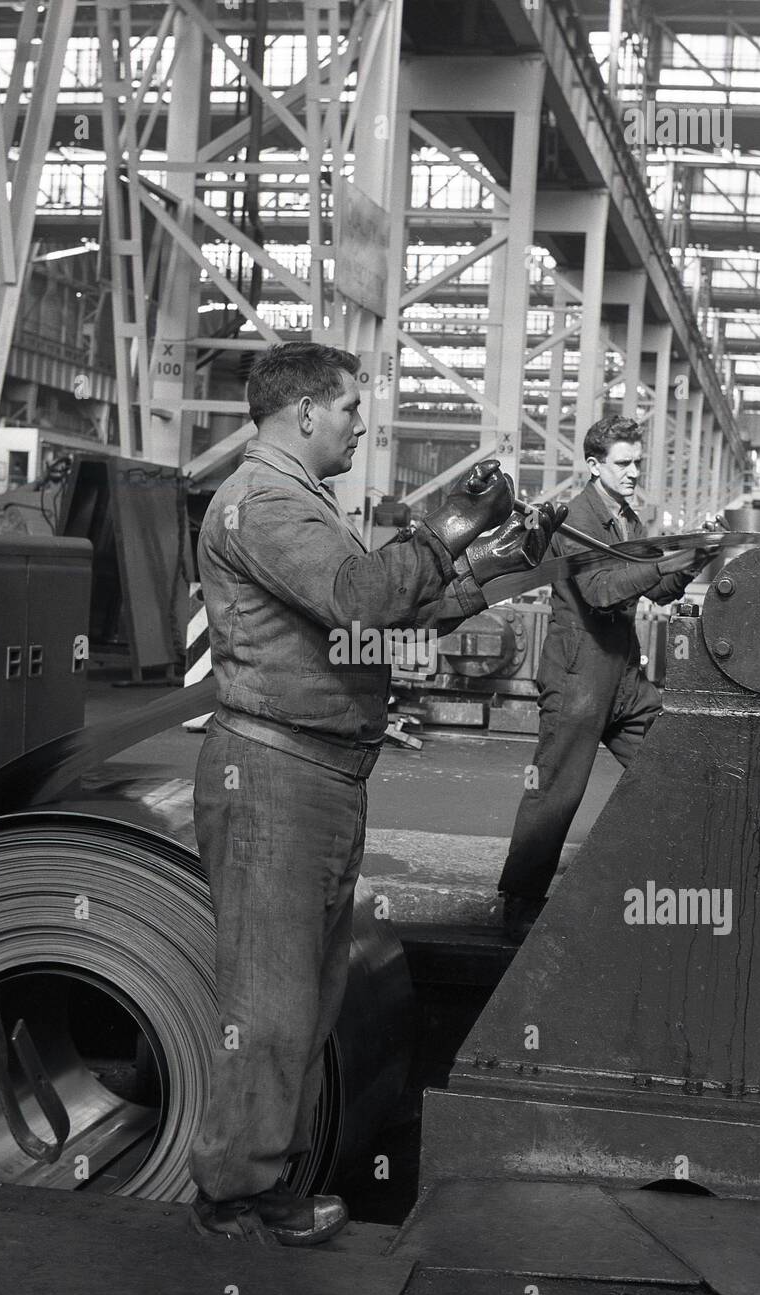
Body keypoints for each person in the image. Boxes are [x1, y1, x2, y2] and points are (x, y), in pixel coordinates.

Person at [189, 342, 566, 1245]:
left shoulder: (304, 503)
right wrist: (444, 525)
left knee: (305, 999)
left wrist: (501, 561)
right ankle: (235, 1196)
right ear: (306, 411)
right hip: (276, 779)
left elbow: (399, 610)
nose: (363, 420)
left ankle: (253, 1176)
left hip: (315, 774)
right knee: (272, 1006)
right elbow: (364, 598)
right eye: (353, 406)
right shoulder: (265, 502)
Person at [495, 415, 719, 941]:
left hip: (622, 674)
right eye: (623, 463)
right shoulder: (575, 518)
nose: (634, 472)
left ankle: (681, 882)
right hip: (579, 676)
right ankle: (519, 902)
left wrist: (693, 562)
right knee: (556, 791)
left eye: (638, 462)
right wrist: (669, 562)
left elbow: (658, 594)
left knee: (673, 763)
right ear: (594, 465)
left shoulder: (626, 519)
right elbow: (600, 591)